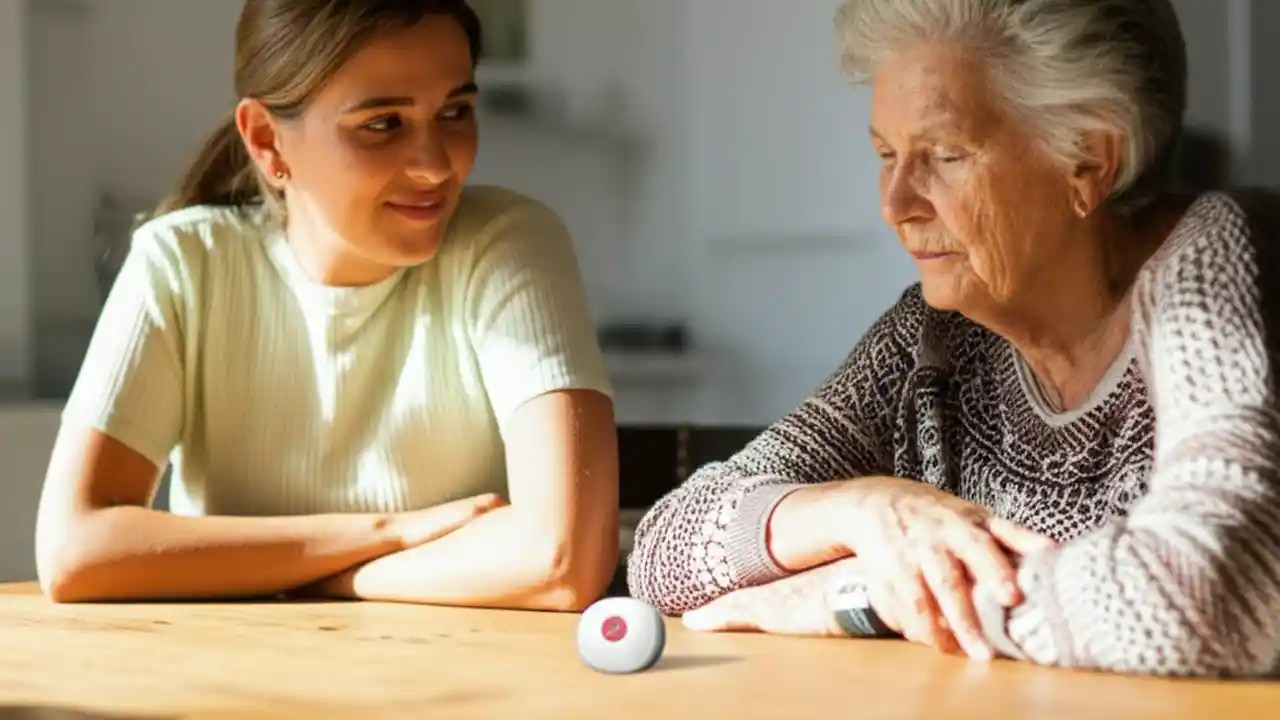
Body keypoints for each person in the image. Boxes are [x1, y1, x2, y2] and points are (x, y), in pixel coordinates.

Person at [628, 0, 1280, 677]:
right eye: (885, 153)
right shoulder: (936, 337)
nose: (895, 203)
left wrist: (862, 598)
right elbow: (665, 552)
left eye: (944, 155)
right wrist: (864, 511)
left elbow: (1206, 595)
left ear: (1088, 160)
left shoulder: (1219, 262)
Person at [34, 0, 620, 612]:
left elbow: (562, 559)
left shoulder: (507, 243)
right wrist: (385, 534)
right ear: (266, 140)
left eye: (455, 111)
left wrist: (329, 578)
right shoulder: (181, 264)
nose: (437, 164)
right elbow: (75, 550)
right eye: (383, 123)